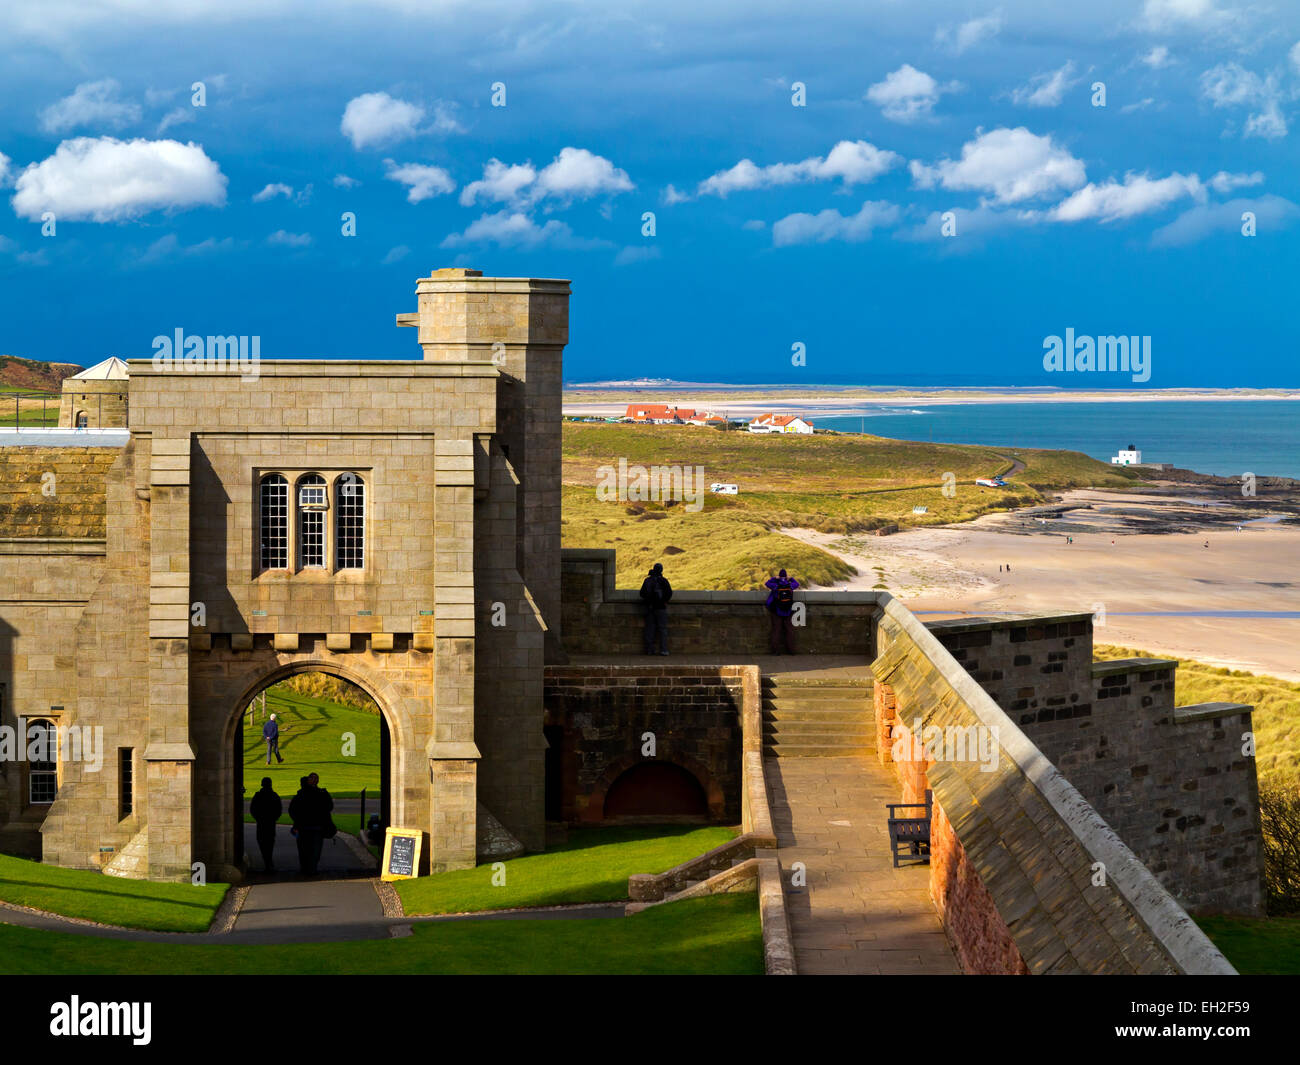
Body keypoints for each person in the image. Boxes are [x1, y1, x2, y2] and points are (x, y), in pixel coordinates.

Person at [289, 775, 322, 875]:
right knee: (314, 849)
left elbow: (292, 811)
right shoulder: (319, 794)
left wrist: (296, 822)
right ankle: (312, 868)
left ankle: (304, 868)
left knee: (303, 849)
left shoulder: (299, 796)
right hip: (315, 826)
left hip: (302, 827)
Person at [248, 776, 282, 873]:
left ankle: (267, 861)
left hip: (262, 822)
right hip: (270, 823)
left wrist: (258, 818)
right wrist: (274, 818)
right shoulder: (274, 795)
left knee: (262, 842)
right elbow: (279, 809)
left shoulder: (258, 795)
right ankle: (269, 861)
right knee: (269, 842)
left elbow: (253, 809)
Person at [640, 562, 672, 656]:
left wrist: (648, 601)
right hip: (661, 608)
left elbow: (642, 593)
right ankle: (663, 650)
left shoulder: (647, 581)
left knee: (650, 629)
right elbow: (669, 593)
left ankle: (649, 650)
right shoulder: (664, 581)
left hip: (650, 607)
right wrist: (663, 601)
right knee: (662, 630)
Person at [764, 569, 800, 654]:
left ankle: (775, 651)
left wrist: (774, 578)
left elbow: (767, 583)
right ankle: (791, 650)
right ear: (786, 576)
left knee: (776, 630)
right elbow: (797, 584)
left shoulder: (775, 585)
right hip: (787, 610)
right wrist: (791, 578)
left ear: (779, 576)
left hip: (777, 610)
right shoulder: (790, 585)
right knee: (789, 631)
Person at [307, 771, 335, 872]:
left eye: (316, 778)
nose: (315, 780)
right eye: (313, 778)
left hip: (316, 825)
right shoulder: (321, 793)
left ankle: (311, 867)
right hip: (311, 825)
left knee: (314, 848)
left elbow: (330, 806)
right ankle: (311, 866)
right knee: (313, 847)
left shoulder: (321, 793)